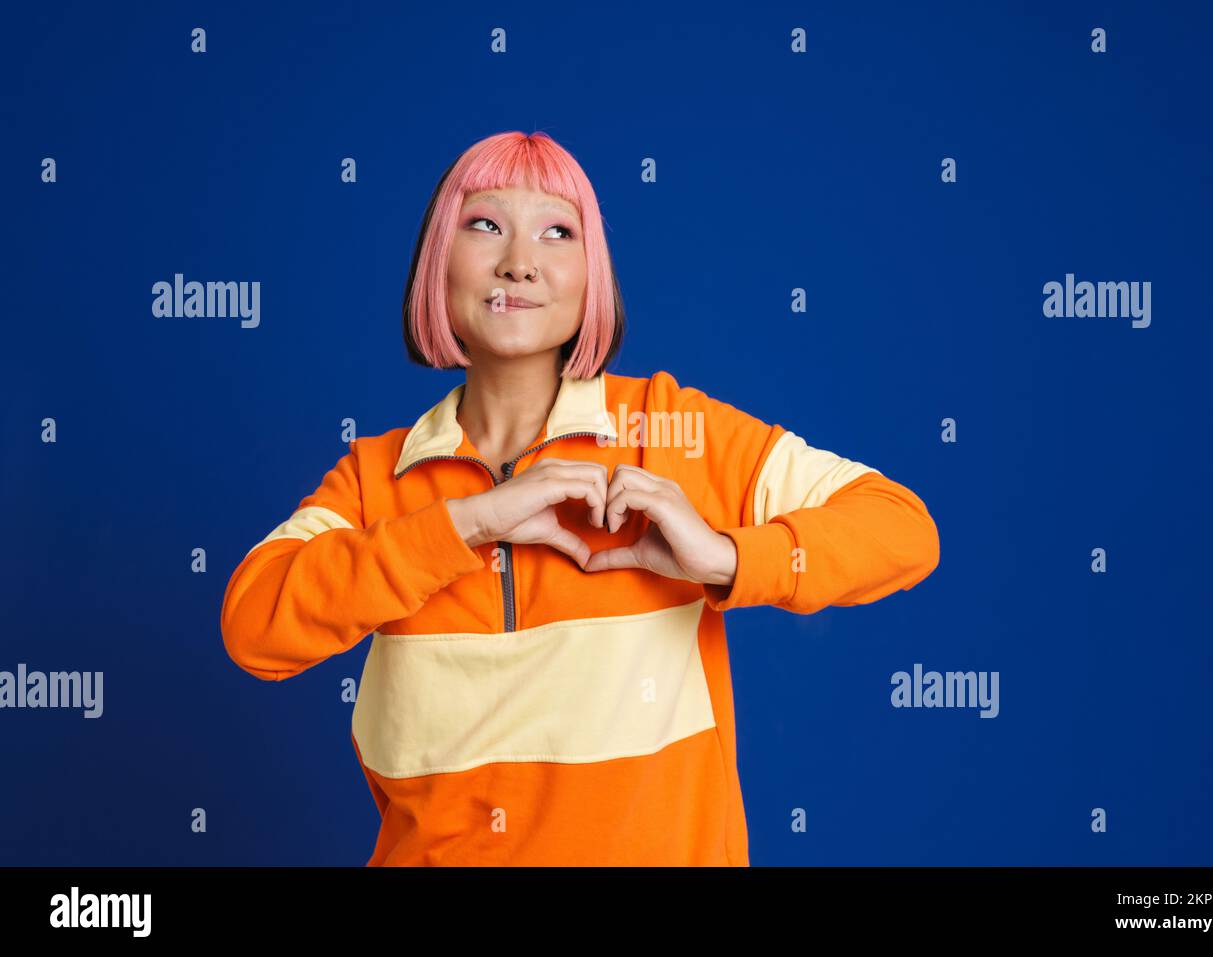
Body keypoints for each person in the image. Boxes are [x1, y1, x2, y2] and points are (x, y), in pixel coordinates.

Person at [220, 131, 941, 866]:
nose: (519, 262)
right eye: (485, 224)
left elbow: (902, 527)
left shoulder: (668, 429)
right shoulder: (379, 476)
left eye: (557, 232)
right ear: (439, 261)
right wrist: (469, 523)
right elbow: (253, 625)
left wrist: (724, 557)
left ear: (592, 272)